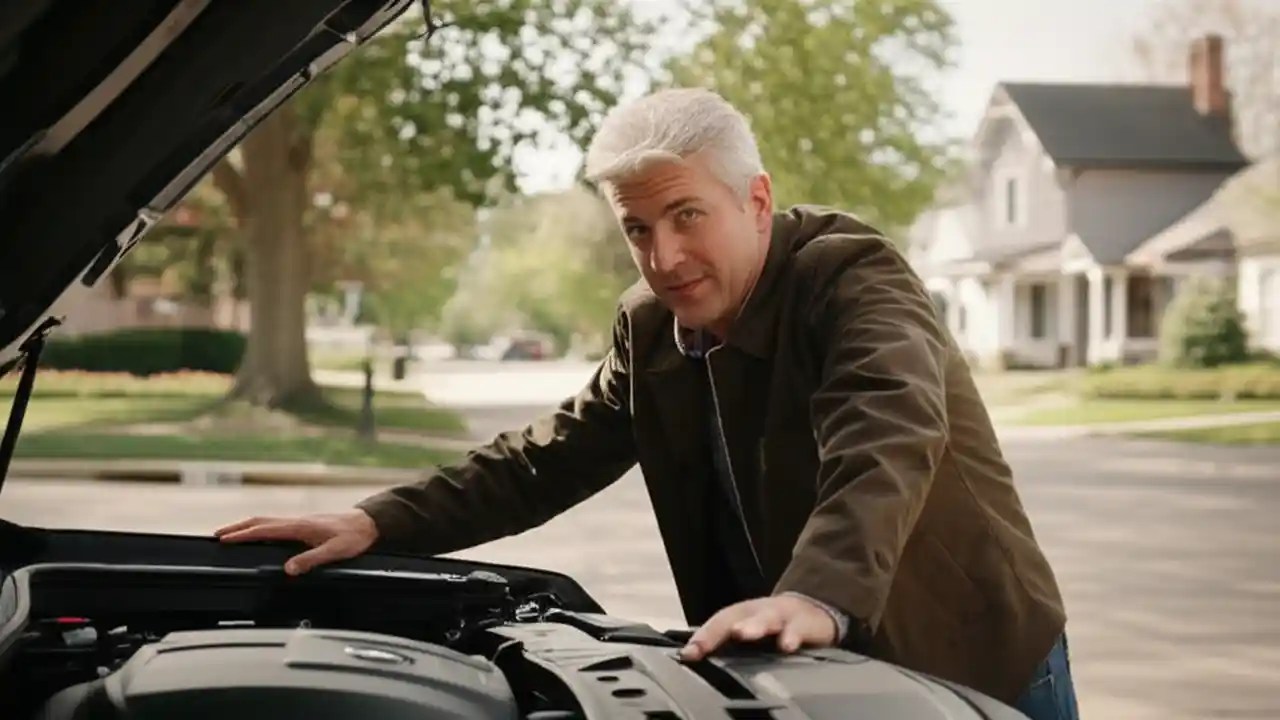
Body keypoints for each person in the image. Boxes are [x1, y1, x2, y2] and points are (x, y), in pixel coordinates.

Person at [216, 87, 1079, 719]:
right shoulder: (651, 324)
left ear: (758, 200)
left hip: (970, 658)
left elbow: (887, 430)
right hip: (788, 667)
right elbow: (547, 457)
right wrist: (379, 521)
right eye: (637, 229)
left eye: (686, 215)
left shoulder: (852, 278)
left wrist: (819, 594)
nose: (663, 258)